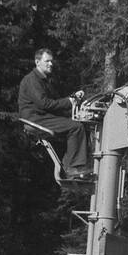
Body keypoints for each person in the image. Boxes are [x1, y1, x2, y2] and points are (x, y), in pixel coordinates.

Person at [18, 47, 92, 180]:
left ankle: (75, 164)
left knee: (78, 124)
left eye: (51, 61)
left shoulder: (43, 81)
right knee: (75, 127)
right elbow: (45, 104)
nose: (51, 64)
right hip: (35, 118)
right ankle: (72, 167)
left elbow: (54, 104)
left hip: (42, 116)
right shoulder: (32, 80)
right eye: (47, 61)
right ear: (37, 62)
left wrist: (73, 101)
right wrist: (69, 102)